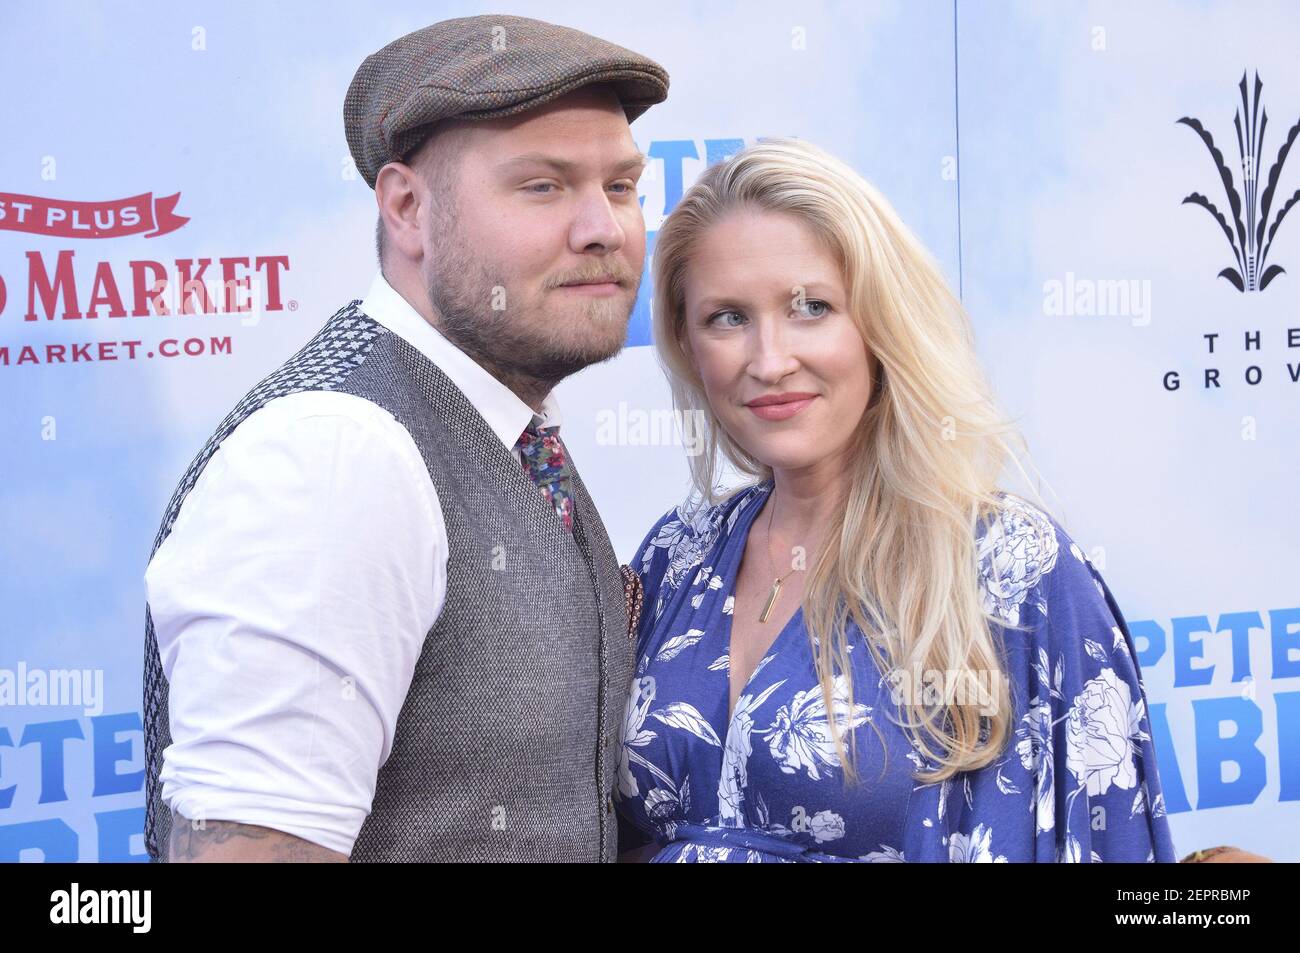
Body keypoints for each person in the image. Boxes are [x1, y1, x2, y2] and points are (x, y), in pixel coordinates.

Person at [141, 15, 668, 862]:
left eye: (620, 186)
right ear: (408, 207)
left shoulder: (511, 428)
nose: (602, 227)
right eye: (543, 186)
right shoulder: (336, 455)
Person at [615, 137, 1179, 863]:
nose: (770, 359)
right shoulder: (678, 550)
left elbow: (1111, 844)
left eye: (812, 307)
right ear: (688, 342)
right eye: (727, 317)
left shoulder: (1009, 566)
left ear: (881, 324)